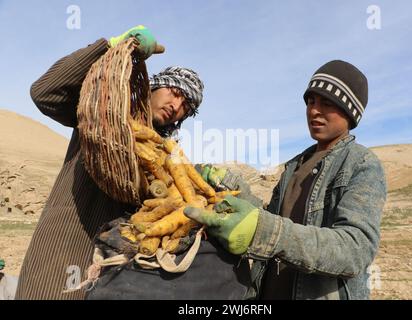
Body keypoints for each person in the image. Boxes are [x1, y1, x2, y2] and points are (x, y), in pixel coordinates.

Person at [15, 25, 205, 300]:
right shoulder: (102, 114)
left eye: (187, 105)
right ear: (156, 85)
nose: (177, 105)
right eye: (175, 92)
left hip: (115, 274)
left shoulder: (167, 156)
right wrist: (112, 45)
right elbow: (45, 92)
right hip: (62, 247)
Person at [185, 60, 387, 300]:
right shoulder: (296, 164)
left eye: (327, 103)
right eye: (311, 101)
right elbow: (273, 218)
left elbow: (355, 250)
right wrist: (232, 185)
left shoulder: (362, 164)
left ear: (350, 111)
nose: (314, 110)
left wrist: (266, 232)